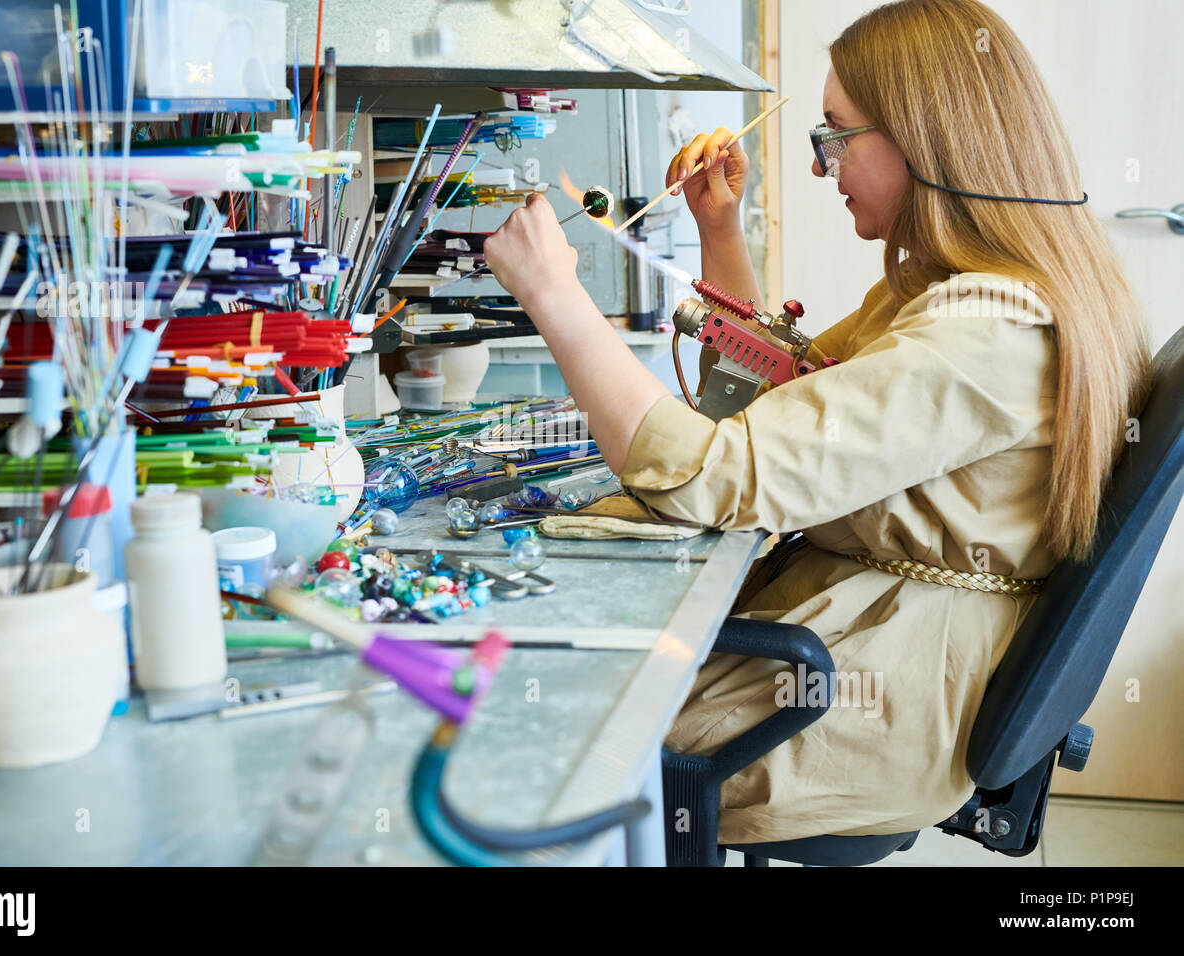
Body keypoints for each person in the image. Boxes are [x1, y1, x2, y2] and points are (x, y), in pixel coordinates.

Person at [481, 0, 1152, 844]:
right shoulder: (948, 287)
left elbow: (716, 477)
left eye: (835, 137)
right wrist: (720, 231)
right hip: (857, 646)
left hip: (859, 699)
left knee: (528, 728)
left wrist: (553, 297)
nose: (819, 166)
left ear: (921, 139)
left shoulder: (990, 332)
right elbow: (783, 405)